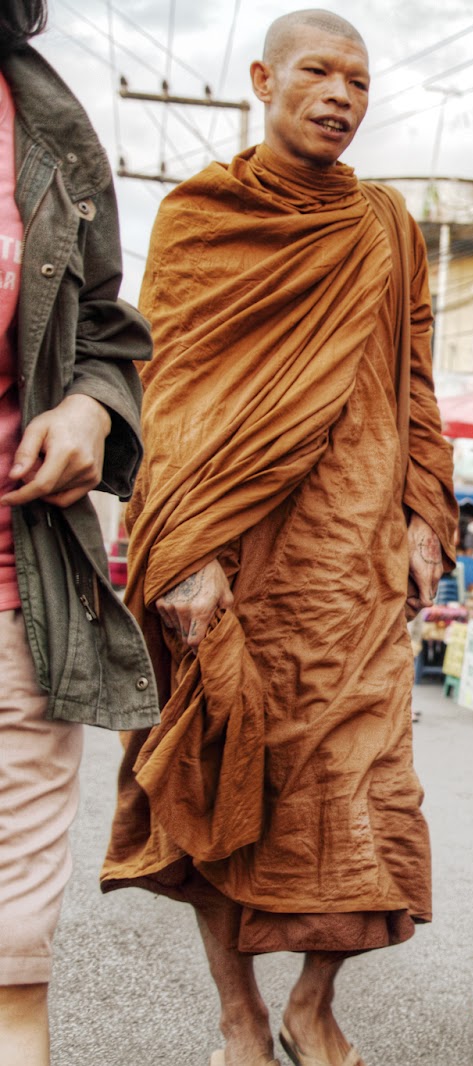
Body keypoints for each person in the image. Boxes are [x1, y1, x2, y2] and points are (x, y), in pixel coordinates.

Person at [101, 11, 458, 1066]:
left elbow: (417, 378)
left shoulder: (386, 224)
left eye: (359, 81)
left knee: (363, 784)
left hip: (352, 562)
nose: (341, 96)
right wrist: (179, 551)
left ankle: (312, 1003)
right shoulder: (199, 216)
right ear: (264, 79)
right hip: (231, 555)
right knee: (226, 779)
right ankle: (240, 1017)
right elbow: (167, 390)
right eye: (318, 73)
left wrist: (426, 513)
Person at [0, 4, 154, 1062]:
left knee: (14, 963)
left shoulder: (42, 114)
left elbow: (104, 325)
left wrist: (95, 407)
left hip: (22, 590)